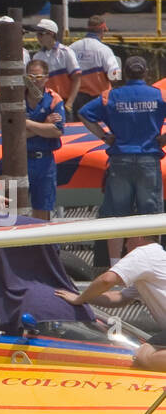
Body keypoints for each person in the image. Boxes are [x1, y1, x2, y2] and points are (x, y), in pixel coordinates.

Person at [80, 55, 166, 265]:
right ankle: (151, 263)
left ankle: (115, 264)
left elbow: (83, 113)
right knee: (151, 215)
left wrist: (104, 136)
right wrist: (163, 139)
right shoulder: (159, 95)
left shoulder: (111, 97)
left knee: (116, 216)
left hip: (120, 159)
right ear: (146, 73)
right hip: (148, 158)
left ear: (124, 74)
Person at [55, 235, 166, 372]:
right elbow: (120, 297)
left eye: (127, 240)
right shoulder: (155, 258)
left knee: (143, 355)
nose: (125, 246)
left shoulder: (143, 253)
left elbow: (107, 280)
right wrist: (83, 297)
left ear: (139, 237)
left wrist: (79, 300)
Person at [23, 58, 65, 222]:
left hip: (44, 161)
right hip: (20, 160)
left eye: (39, 77)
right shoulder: (16, 98)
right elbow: (13, 135)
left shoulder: (54, 99)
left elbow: (57, 131)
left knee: (42, 209)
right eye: (31, 76)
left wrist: (26, 124)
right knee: (14, 209)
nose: (35, 81)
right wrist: (43, 125)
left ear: (47, 78)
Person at [70, 14, 122, 112]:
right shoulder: (104, 50)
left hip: (76, 100)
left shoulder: (72, 48)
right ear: (102, 30)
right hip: (99, 100)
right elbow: (114, 77)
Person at [33, 18, 81, 115]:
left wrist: (69, 104)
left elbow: (77, 79)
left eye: (41, 34)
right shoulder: (37, 57)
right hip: (46, 104)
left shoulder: (66, 52)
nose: (38, 37)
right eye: (37, 34)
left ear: (51, 34)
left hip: (63, 102)